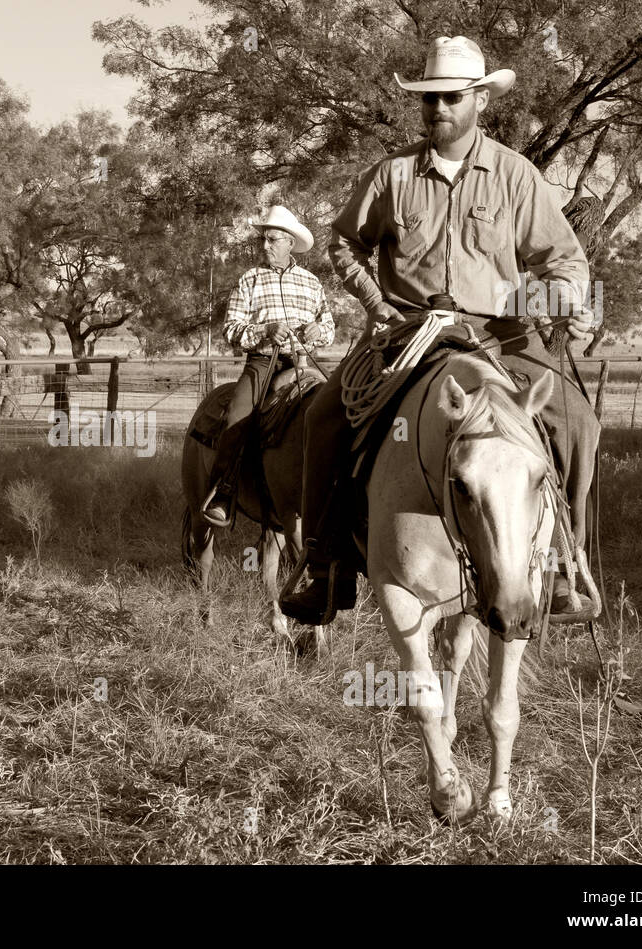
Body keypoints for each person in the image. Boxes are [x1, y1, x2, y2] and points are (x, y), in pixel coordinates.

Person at [279, 35, 600, 625]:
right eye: (429, 100)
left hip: (498, 332)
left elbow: (562, 259)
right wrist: (374, 300)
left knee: (576, 420)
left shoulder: (516, 176)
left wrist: (569, 300)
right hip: (406, 329)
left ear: (480, 99)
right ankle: (324, 565)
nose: (437, 109)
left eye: (450, 97)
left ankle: (562, 564)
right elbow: (345, 243)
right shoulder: (393, 174)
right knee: (324, 417)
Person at [202, 205, 336, 527]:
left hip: (305, 363)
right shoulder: (249, 280)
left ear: (290, 242)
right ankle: (224, 491)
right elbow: (231, 329)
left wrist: (320, 331)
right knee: (238, 417)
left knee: (338, 410)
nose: (265, 246)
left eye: (272, 239)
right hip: (263, 362)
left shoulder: (312, 283)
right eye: (264, 240)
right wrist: (266, 330)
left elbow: (329, 325)